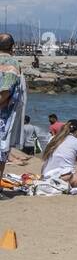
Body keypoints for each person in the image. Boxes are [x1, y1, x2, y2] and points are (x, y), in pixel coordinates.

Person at [0, 34, 25, 184]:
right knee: (1, 152)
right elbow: (5, 92)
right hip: (3, 116)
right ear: (12, 47)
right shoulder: (12, 63)